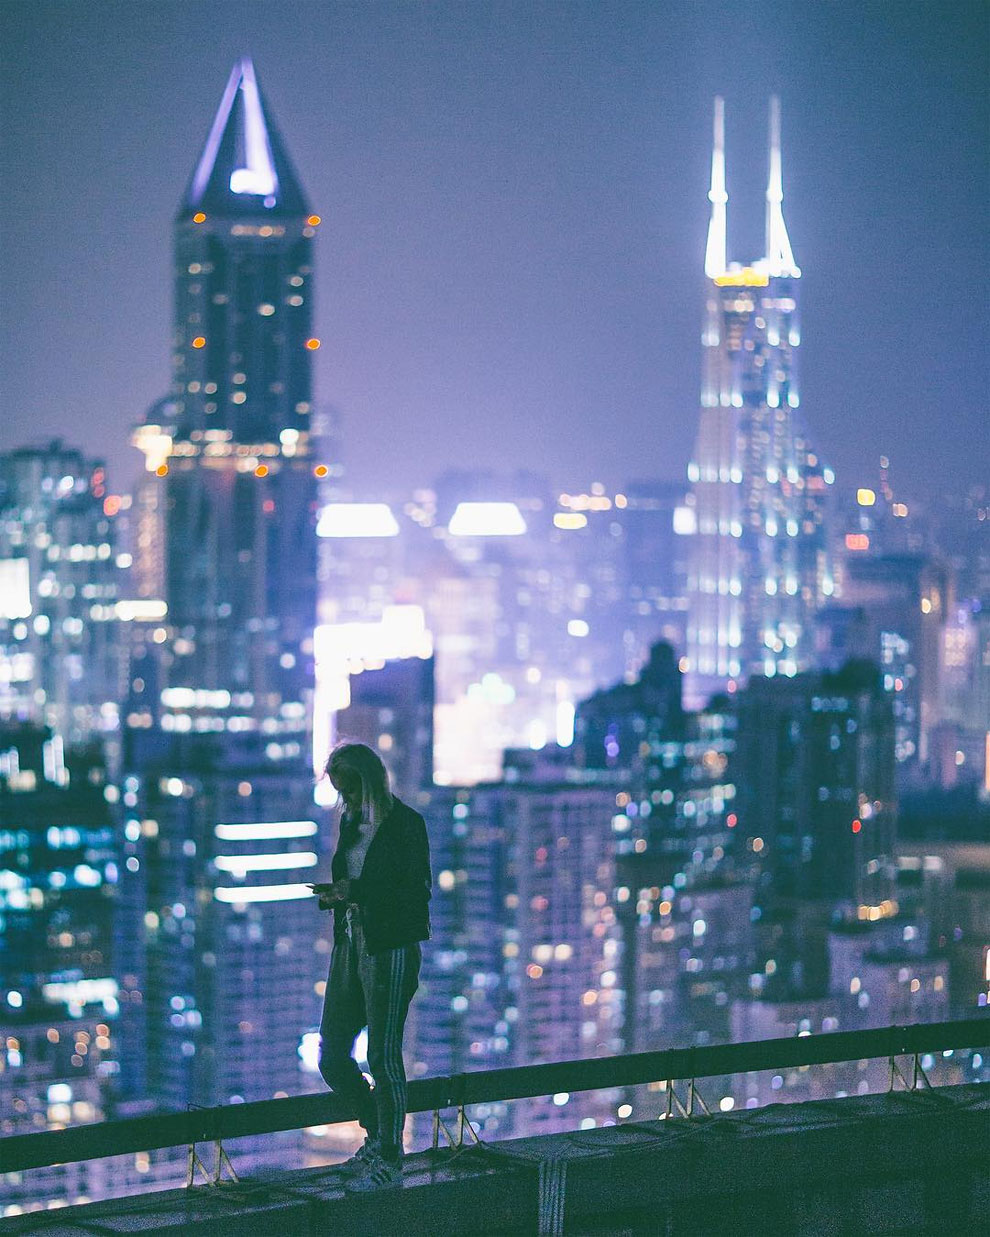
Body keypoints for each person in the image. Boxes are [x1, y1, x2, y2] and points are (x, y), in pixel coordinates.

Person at [311, 742, 432, 1192]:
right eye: (341, 790)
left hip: (391, 947)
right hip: (352, 940)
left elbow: (412, 893)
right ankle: (377, 1134)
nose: (347, 798)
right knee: (332, 1051)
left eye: (351, 787)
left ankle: (389, 1158)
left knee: (382, 1055)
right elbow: (357, 882)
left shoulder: (404, 825)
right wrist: (339, 894)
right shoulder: (351, 823)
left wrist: (353, 892)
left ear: (369, 780)